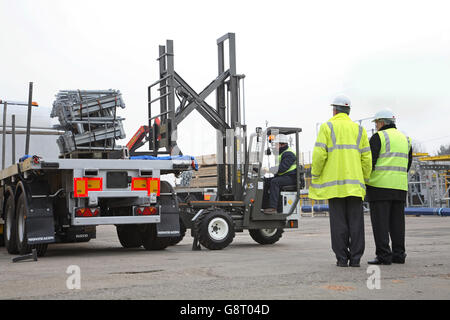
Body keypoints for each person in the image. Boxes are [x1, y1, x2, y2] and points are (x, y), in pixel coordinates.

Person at [309, 95, 372, 267]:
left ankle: (342, 259)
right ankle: (356, 259)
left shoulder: (327, 127)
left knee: (338, 224)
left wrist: (315, 174)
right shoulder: (359, 130)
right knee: (356, 224)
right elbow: (367, 157)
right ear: (348, 111)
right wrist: (365, 178)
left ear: (334, 110)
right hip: (355, 187)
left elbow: (320, 155)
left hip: (335, 187)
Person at [366, 109, 412, 265]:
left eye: (377, 123)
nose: (376, 126)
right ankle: (399, 255)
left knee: (380, 224)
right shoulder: (406, 139)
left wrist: (365, 181)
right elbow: (407, 164)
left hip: (379, 186)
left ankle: (384, 256)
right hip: (399, 187)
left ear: (381, 122)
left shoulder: (378, 137)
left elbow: (369, 163)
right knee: (397, 223)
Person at [263, 134, 297, 214]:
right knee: (264, 181)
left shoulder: (289, 154)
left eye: (276, 144)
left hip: (291, 177)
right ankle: (264, 205)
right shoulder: (282, 153)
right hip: (285, 176)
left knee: (275, 182)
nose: (274, 146)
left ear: (282, 144)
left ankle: (273, 208)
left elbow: (282, 168)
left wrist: (269, 170)